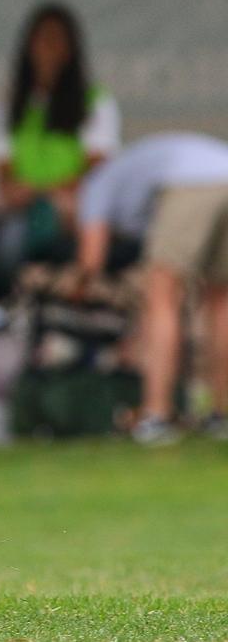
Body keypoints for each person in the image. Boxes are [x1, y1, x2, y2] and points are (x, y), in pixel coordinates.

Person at [74, 132, 228, 446]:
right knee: (221, 299)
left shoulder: (94, 186)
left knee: (161, 293)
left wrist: (77, 287)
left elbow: (91, 260)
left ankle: (156, 415)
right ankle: (221, 414)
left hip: (192, 184)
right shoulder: (129, 170)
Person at [0, 3, 119, 264]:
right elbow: (2, 166)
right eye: (42, 39)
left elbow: (97, 167)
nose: (49, 49)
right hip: (22, 210)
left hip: (70, 212)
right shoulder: (8, 104)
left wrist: (46, 194)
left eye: (57, 39)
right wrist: (17, 193)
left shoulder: (95, 101)